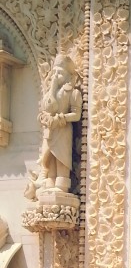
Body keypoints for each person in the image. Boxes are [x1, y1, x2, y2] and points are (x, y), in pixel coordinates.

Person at [39, 54, 82, 193]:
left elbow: (76, 115)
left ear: (69, 76)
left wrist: (61, 118)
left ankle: (62, 184)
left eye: (60, 72)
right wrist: (52, 86)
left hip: (63, 129)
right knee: (50, 157)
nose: (56, 75)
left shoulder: (73, 93)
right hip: (51, 130)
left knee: (61, 157)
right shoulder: (51, 93)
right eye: (55, 72)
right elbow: (48, 107)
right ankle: (50, 182)